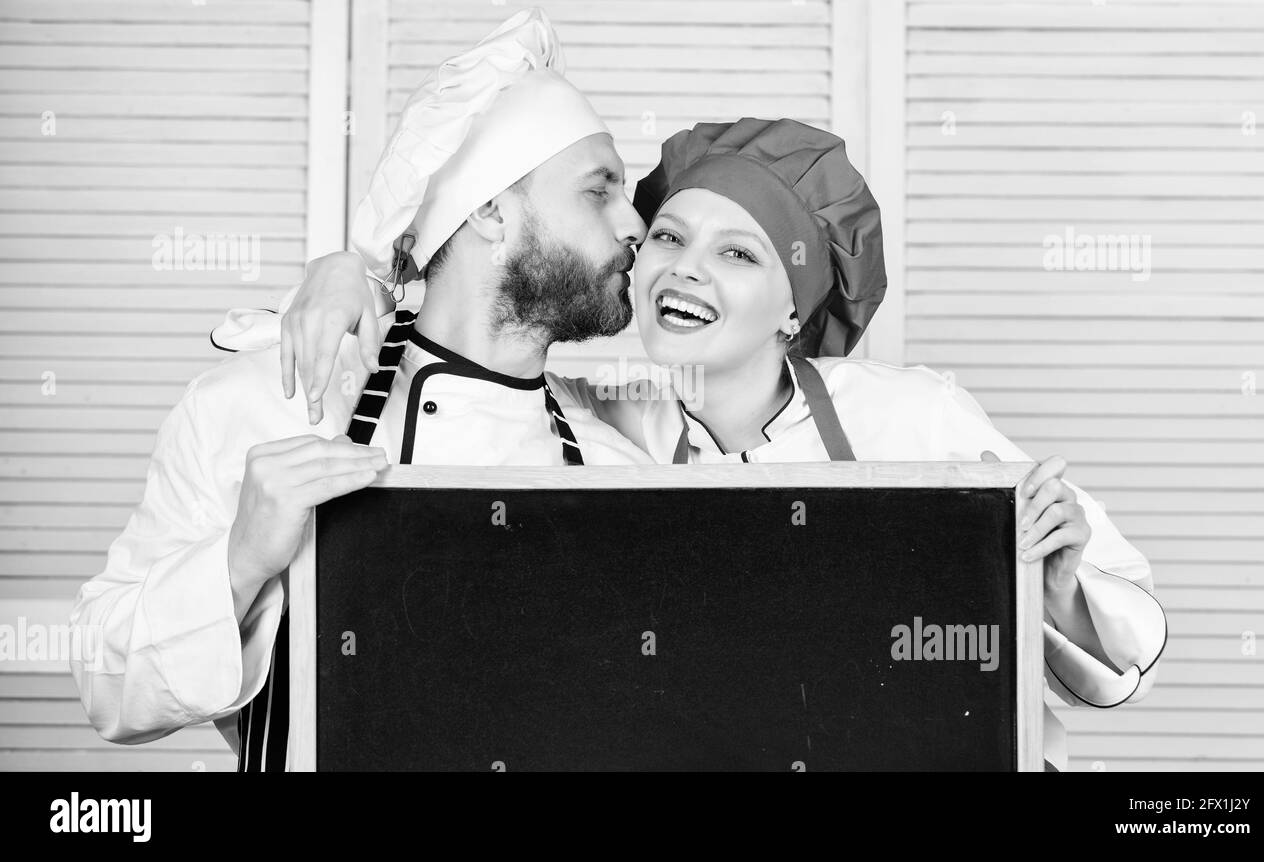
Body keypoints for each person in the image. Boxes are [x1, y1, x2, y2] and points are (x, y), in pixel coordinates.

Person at [243, 118, 1167, 772]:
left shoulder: (913, 417)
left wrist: (1052, 589)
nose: (684, 266)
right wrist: (351, 267)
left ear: (797, 310)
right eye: (672, 237)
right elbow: (471, 335)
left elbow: (1111, 671)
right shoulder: (603, 420)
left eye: (738, 253)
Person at [69, 8, 654, 772]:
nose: (634, 221)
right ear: (489, 212)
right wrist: (240, 560)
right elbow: (105, 689)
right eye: (600, 190)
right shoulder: (269, 405)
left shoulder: (622, 474)